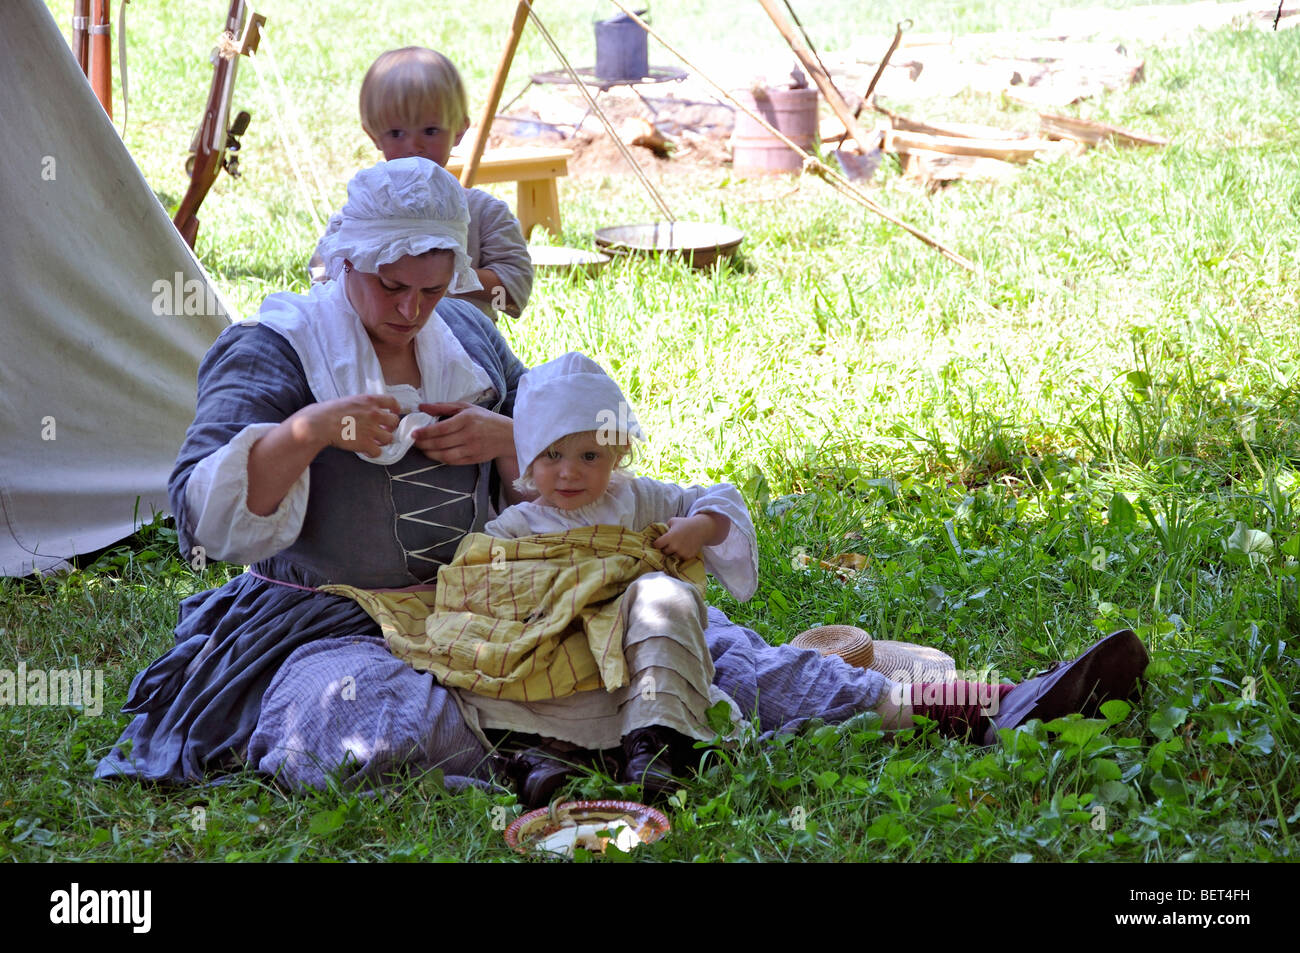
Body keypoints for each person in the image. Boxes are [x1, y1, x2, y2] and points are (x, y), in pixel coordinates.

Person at [95, 156, 1150, 796]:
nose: (413, 310)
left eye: (431, 285)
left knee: (693, 636)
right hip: (332, 615)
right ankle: (574, 746)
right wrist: (312, 430)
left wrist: (507, 442)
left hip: (511, 589)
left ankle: (987, 700)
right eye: (390, 287)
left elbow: (571, 457)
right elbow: (200, 507)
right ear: (342, 261)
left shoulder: (464, 333)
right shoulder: (273, 348)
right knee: (361, 724)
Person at [367, 351, 760, 805]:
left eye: (590, 455)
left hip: (632, 667)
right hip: (562, 661)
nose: (570, 472)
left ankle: (653, 743)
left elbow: (718, 499)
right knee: (487, 663)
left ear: (618, 452)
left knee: (664, 596)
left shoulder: (639, 499)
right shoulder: (517, 526)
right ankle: (538, 756)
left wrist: (701, 527)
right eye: (552, 455)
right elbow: (477, 578)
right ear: (528, 459)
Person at [309, 47, 532, 322]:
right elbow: (321, 279)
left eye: (430, 131)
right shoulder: (361, 216)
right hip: (377, 351)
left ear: (459, 129)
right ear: (373, 135)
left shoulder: (484, 213)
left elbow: (513, 291)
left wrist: (451, 277)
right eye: (396, 133)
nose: (413, 146)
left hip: (464, 349)